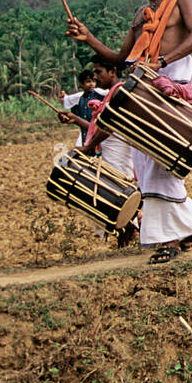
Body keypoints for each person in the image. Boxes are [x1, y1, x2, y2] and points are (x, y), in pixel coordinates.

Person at [65, 0, 192, 263]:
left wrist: (161, 62)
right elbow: (121, 59)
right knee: (149, 169)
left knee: (162, 167)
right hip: (142, 91)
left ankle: (171, 239)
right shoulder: (140, 15)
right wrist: (89, 38)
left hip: (168, 90)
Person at [66, 55, 140, 246]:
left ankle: (128, 232)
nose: (96, 77)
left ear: (112, 72)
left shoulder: (118, 92)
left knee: (118, 191)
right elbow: (100, 125)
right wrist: (75, 119)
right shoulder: (111, 93)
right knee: (113, 191)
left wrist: (89, 146)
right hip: (110, 148)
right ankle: (126, 233)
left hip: (118, 148)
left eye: (99, 72)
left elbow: (109, 127)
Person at [61, 70, 105, 148]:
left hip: (98, 140)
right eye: (88, 82)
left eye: (93, 81)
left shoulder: (100, 97)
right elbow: (77, 118)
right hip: (85, 138)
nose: (92, 84)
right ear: (81, 84)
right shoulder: (81, 100)